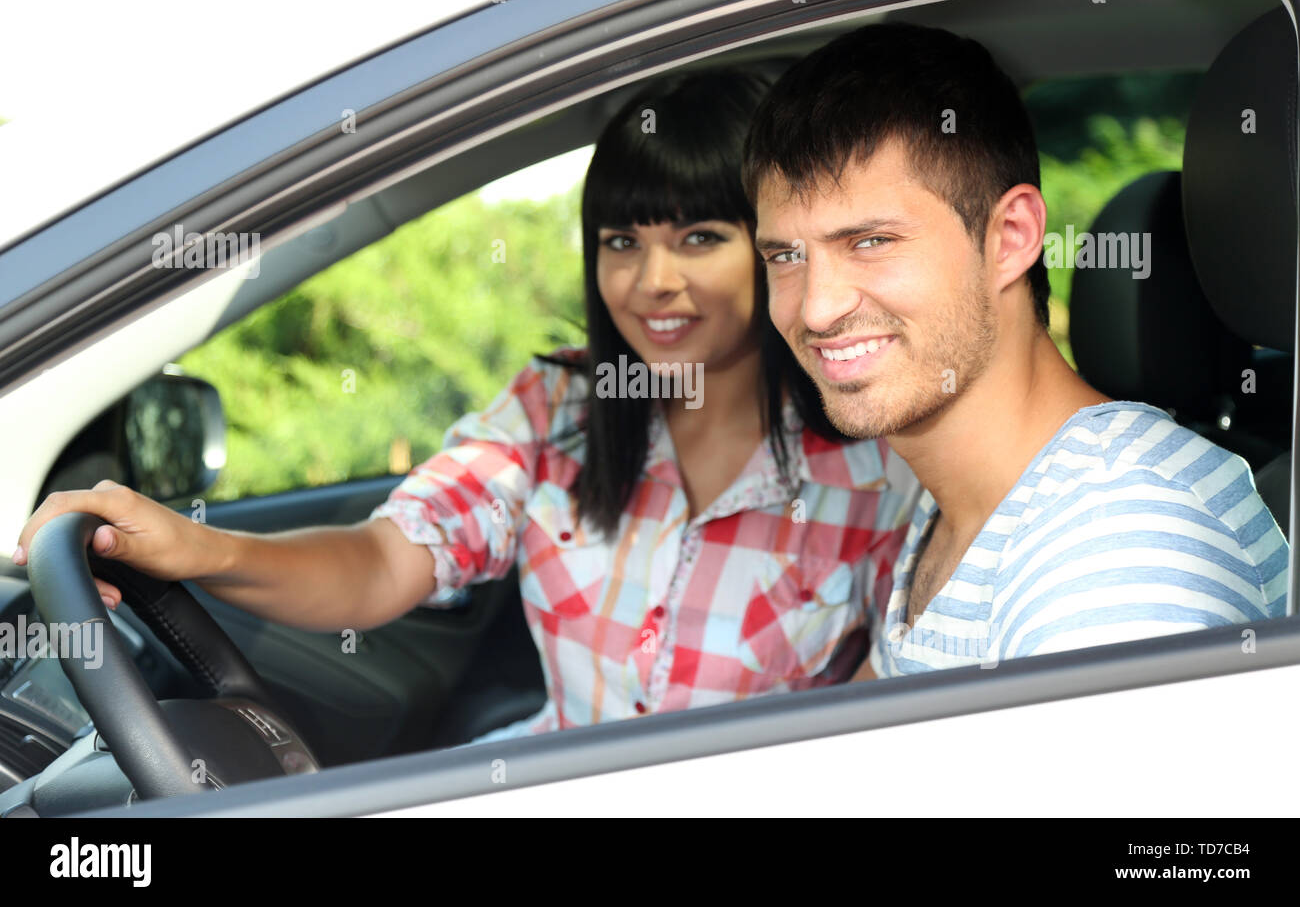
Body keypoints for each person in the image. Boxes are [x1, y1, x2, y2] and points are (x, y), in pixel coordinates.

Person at [15, 69, 922, 740]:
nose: (652, 282)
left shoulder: (876, 456)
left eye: (700, 236)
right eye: (620, 240)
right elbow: (380, 566)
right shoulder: (557, 408)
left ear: (775, 246)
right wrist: (196, 546)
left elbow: (894, 704)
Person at [741, 23, 1289, 678]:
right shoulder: (967, 502)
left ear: (1010, 238)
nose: (816, 308)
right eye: (786, 256)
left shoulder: (1113, 552)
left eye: (870, 242)